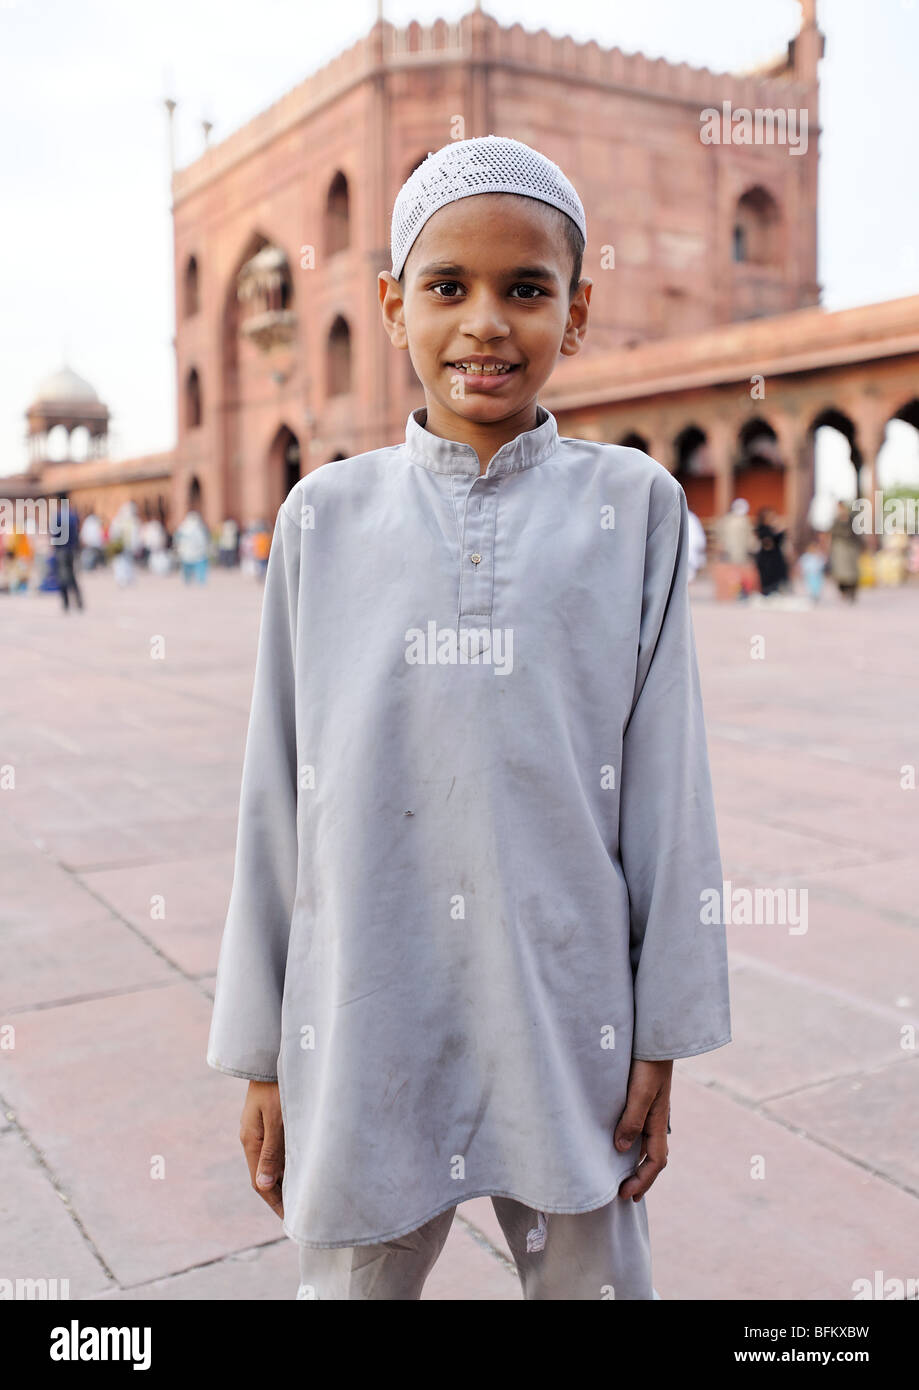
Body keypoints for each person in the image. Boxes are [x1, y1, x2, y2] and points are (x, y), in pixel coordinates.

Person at [206, 135, 731, 1302]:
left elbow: (667, 789)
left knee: (590, 1276)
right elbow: (274, 795)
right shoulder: (323, 519)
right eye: (447, 288)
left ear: (577, 314)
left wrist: (661, 1032)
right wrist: (261, 1052)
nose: (485, 323)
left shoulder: (630, 508)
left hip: (565, 1002)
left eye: (526, 290)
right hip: (365, 997)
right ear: (393, 306)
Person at [50, 492, 84, 612]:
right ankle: (79, 601)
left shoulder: (58, 516)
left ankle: (66, 603)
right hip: (72, 549)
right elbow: (78, 532)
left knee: (62, 576)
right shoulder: (73, 515)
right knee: (72, 575)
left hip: (61, 550)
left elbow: (54, 534)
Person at [714, 498, 754, 599]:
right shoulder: (741, 520)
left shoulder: (728, 520)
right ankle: (736, 593)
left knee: (734, 573)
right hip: (735, 552)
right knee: (736, 573)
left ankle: (735, 593)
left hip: (734, 551)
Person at [827, 499, 861, 602]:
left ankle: (852, 593)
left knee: (852, 572)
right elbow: (831, 534)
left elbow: (856, 533)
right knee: (840, 573)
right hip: (839, 548)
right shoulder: (835, 520)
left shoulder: (851, 518)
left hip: (850, 548)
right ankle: (843, 592)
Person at [752, 506, 788, 596]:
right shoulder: (763, 530)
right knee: (768, 582)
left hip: (774, 560)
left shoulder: (771, 529)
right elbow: (768, 545)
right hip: (767, 561)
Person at [173, 505, 211, 584]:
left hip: (189, 552)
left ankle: (190, 580)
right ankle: (200, 580)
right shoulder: (198, 528)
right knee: (197, 566)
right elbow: (204, 540)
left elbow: (177, 539)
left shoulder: (183, 528)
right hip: (195, 552)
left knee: (188, 567)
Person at [798, 532, 826, 604]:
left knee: (817, 586)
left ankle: (816, 596)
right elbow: (802, 563)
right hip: (809, 574)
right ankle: (812, 596)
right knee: (809, 585)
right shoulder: (807, 556)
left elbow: (822, 563)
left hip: (817, 574)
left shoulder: (818, 556)